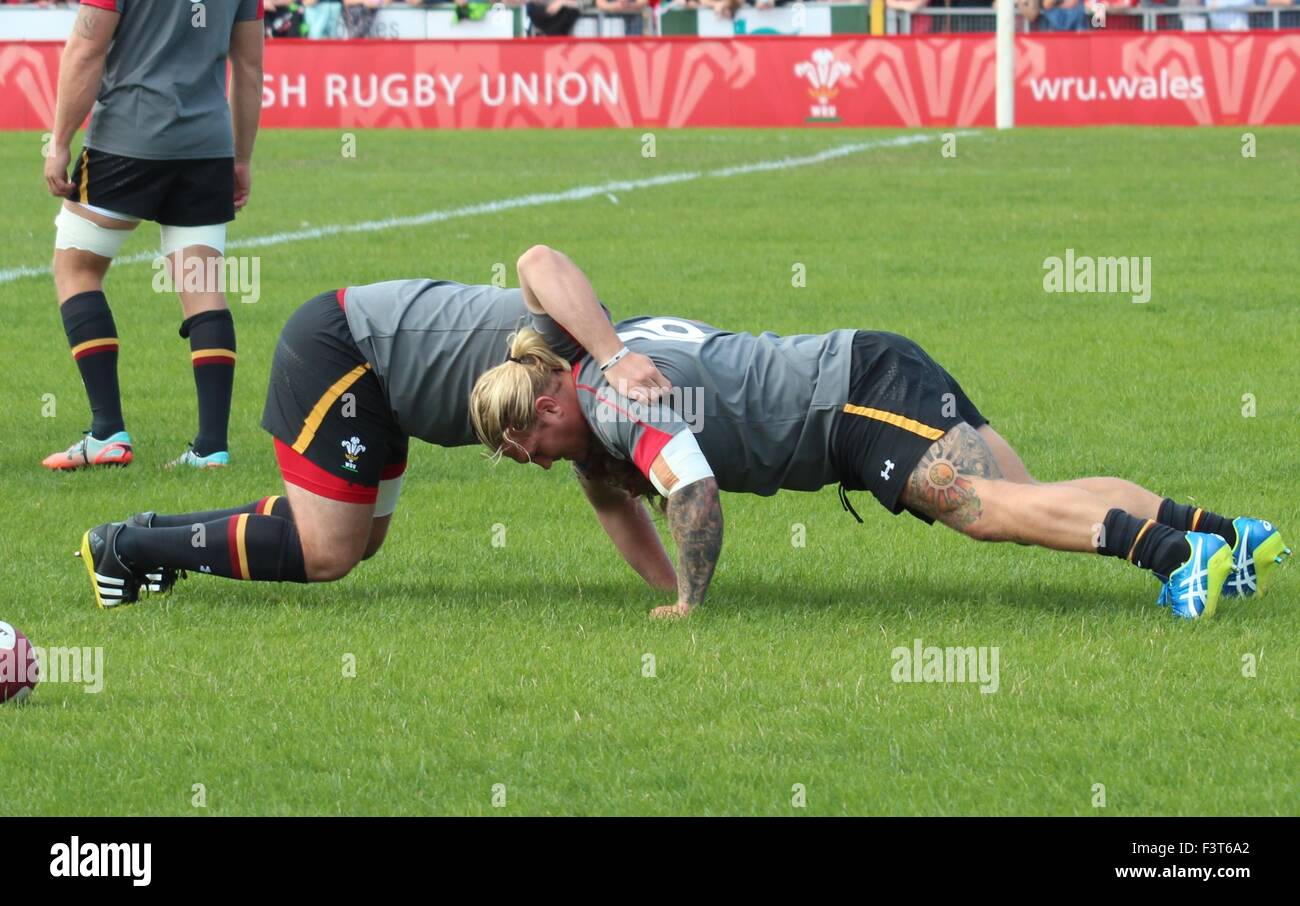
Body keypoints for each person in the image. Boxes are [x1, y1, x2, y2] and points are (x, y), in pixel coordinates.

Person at [469, 312, 1290, 621]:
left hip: (851, 403)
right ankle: (1231, 539)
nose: (532, 463)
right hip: (861, 368)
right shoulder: (605, 353)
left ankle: (1179, 561)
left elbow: (692, 485)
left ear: (546, 405)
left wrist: (690, 602)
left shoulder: (613, 403)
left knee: (978, 510)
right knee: (1028, 500)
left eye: (524, 446)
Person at [75, 247, 674, 608]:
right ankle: (122, 548)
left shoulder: (581, 412)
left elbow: (615, 505)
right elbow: (537, 260)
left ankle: (154, 536)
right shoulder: (587, 356)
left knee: (361, 540)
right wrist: (617, 354)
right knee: (330, 552)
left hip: (383, 390)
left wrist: (679, 596)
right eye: (543, 452)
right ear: (553, 407)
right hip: (341, 351)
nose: (543, 463)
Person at [42, 0, 264, 471]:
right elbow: (248, 64)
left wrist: (58, 143)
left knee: (76, 269)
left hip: (127, 138)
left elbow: (87, 47)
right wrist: (240, 157)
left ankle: (107, 432)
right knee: (203, 286)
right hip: (206, 147)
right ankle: (210, 449)